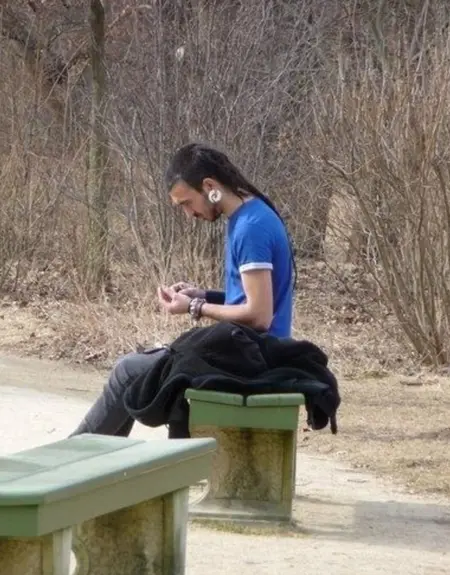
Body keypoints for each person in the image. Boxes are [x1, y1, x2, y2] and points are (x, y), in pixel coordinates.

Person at [69, 143, 295, 438]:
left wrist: (194, 308)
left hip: (253, 358)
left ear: (210, 187)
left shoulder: (250, 227)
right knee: (137, 370)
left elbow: (260, 315)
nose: (189, 214)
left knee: (128, 371)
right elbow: (252, 299)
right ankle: (94, 459)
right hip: (247, 351)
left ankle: (72, 457)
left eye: (187, 203)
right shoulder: (249, 215)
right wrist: (202, 295)